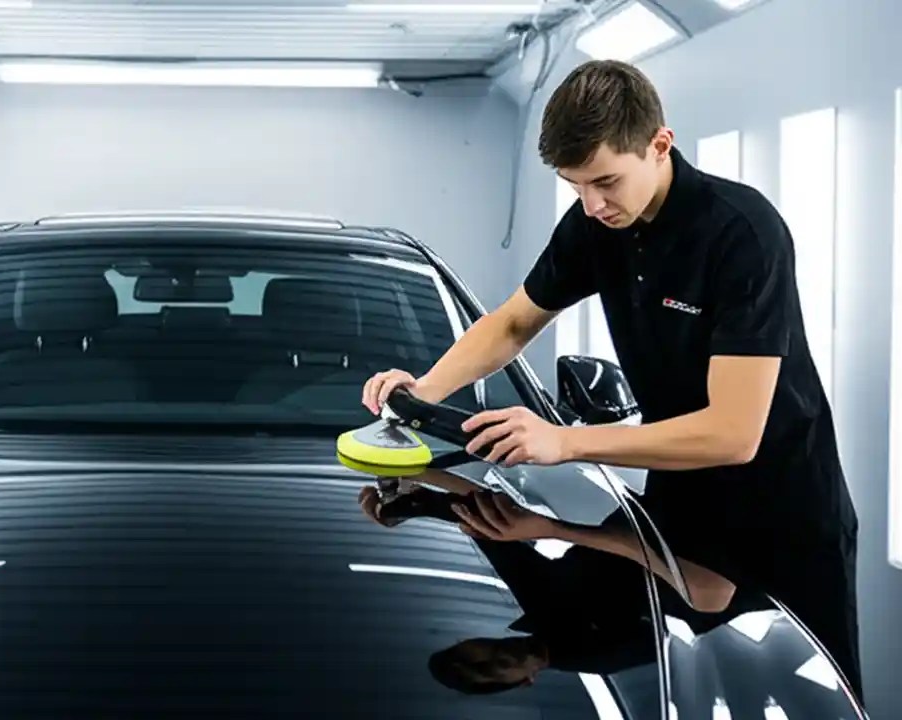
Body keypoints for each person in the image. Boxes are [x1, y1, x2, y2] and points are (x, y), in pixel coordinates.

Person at [360, 59, 864, 706]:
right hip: (677, 506)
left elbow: (734, 434)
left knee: (811, 707)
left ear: (660, 145)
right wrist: (420, 392)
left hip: (785, 522)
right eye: (576, 188)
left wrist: (566, 442)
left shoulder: (743, 234)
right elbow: (513, 324)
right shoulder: (596, 227)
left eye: (605, 182)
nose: (593, 205)